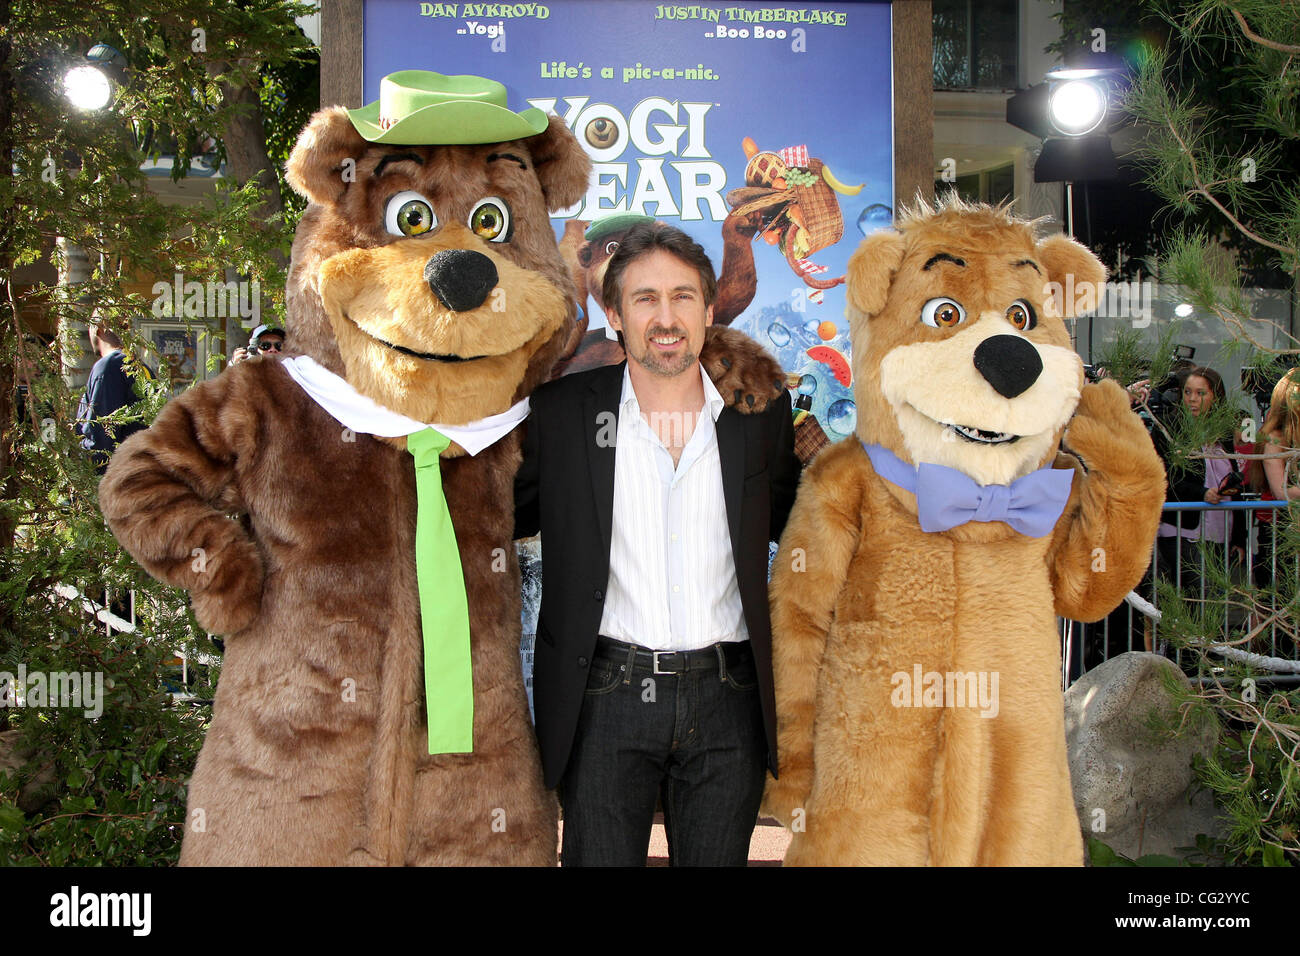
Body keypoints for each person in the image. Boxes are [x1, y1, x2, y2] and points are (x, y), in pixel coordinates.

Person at [514, 222, 800, 866]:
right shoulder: (559, 414)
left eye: (683, 296)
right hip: (604, 692)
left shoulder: (760, 412)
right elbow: (497, 515)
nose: (666, 318)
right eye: (645, 299)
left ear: (707, 307)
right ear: (614, 313)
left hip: (730, 696)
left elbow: (799, 516)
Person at [1151, 366, 1245, 621]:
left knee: (1212, 599)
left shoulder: (1223, 431)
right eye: (1188, 392)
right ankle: (1188, 657)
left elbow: (1235, 483)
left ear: (1215, 396)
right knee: (1199, 595)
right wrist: (1202, 493)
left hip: (1219, 531)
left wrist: (1240, 537)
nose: (1192, 399)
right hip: (1183, 529)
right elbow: (1165, 477)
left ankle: (1202, 656)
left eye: (1200, 393)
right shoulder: (1169, 429)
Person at [75, 320, 148, 472]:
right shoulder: (141, 366)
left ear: (99, 329)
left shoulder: (107, 367)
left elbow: (101, 435)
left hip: (115, 479)